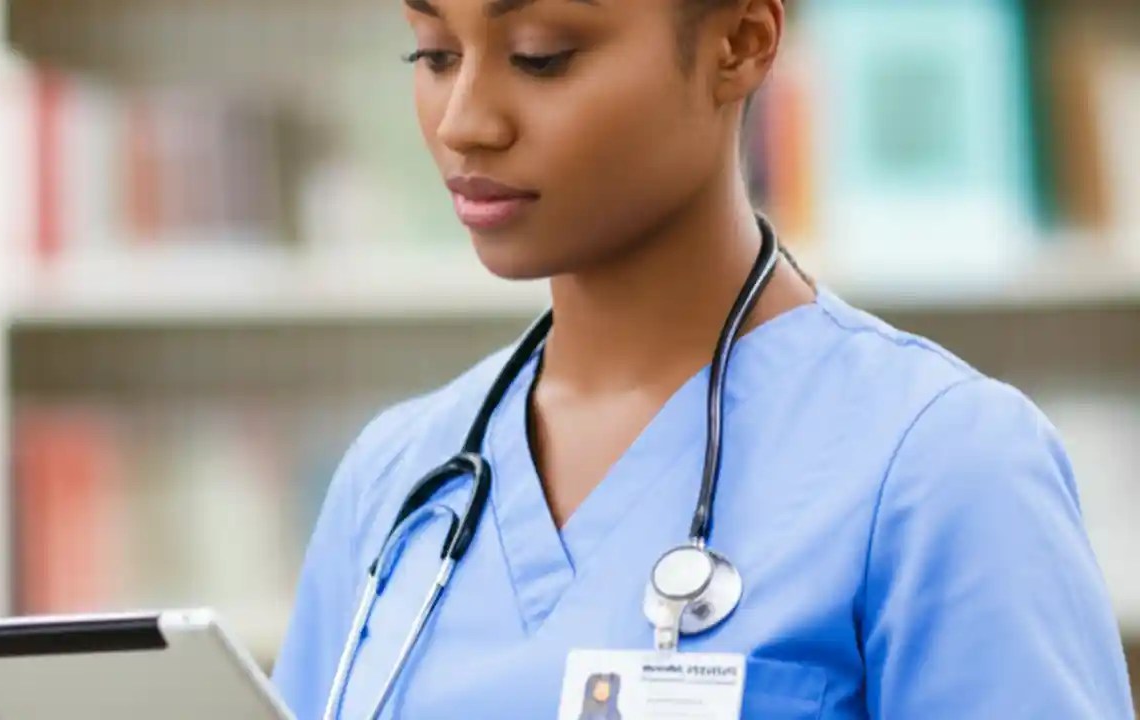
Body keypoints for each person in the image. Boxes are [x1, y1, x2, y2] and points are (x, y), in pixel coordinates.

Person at [271, 0, 1135, 717]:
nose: (465, 122)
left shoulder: (942, 464)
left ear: (741, 44)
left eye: (541, 56)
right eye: (434, 54)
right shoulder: (395, 481)